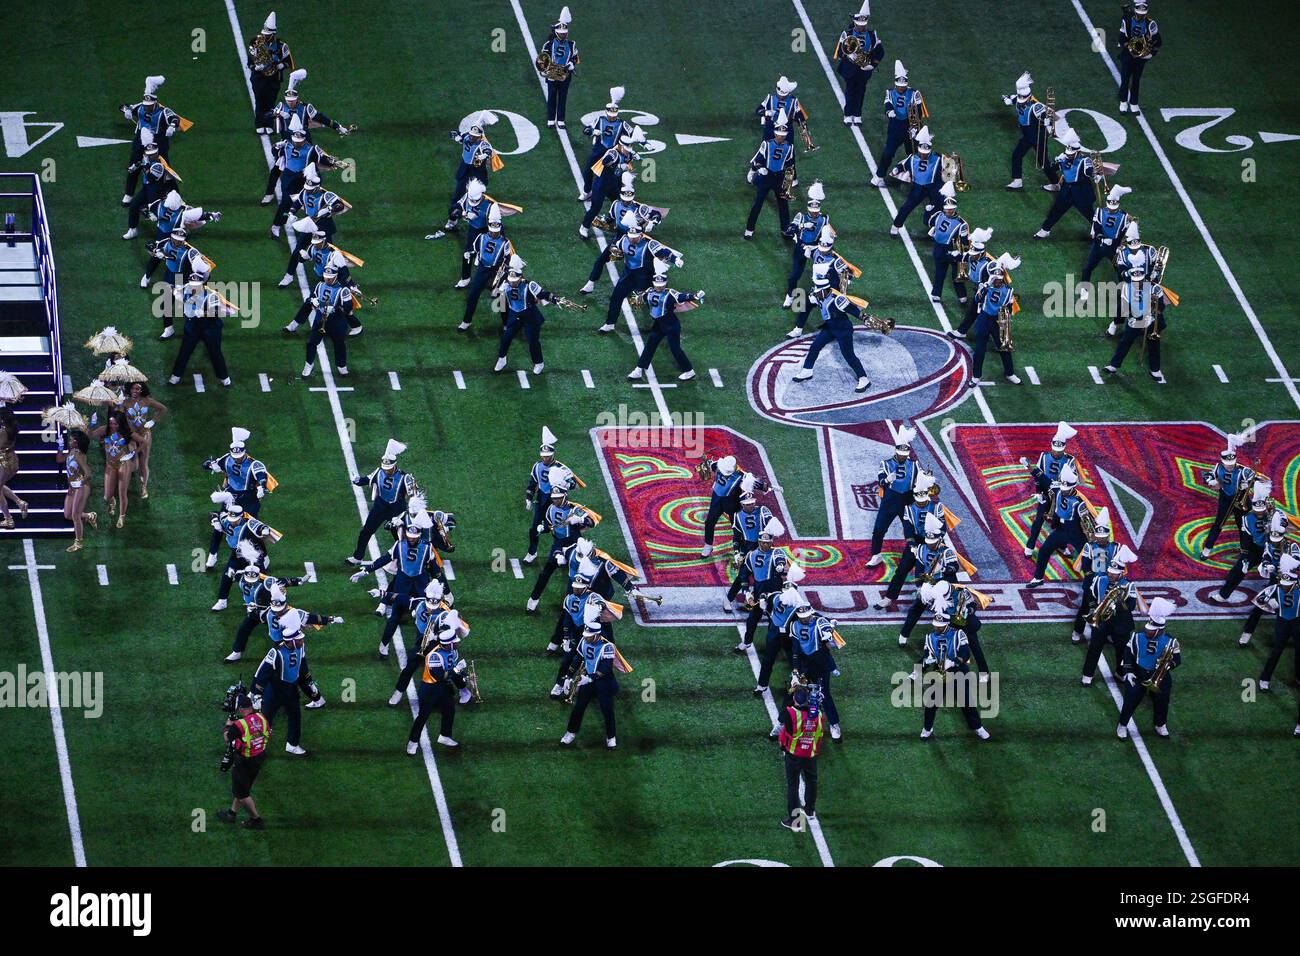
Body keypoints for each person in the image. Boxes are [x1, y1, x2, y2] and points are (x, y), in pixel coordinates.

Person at [789, 263, 872, 394]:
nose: (815, 293)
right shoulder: (820, 296)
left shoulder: (837, 300)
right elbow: (808, 303)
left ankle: (863, 378)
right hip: (830, 327)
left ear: (824, 290)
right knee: (815, 346)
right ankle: (807, 370)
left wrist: (866, 318)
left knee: (849, 356)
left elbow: (854, 311)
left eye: (817, 291)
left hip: (843, 330)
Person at [916, 611, 991, 740]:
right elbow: (927, 656)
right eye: (935, 625)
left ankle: (978, 727)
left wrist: (952, 662)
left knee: (966, 702)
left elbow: (965, 654)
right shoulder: (930, 637)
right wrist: (917, 672)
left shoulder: (958, 634)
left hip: (958, 671)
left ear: (946, 624)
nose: (936, 627)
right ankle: (927, 728)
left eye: (938, 625)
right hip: (939, 673)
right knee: (932, 703)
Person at [626, 260, 704, 382]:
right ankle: (639, 369)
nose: (659, 286)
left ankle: (689, 371)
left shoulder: (670, 293)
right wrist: (637, 296)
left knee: (675, 348)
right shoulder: (649, 292)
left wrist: (695, 296)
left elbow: (682, 296)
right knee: (650, 345)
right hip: (659, 324)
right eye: (657, 283)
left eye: (661, 283)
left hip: (671, 325)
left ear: (665, 283)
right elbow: (639, 297)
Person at [1116, 597, 1180, 739]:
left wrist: (1167, 665)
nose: (1146, 630)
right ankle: (1122, 725)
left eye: (1150, 630)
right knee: (1131, 701)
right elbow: (1128, 654)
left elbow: (1177, 660)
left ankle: (1160, 724)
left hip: (1160, 676)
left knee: (1162, 701)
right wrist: (1128, 672)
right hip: (1139, 674)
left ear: (1158, 631)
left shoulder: (1171, 641)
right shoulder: (1137, 637)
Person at [407, 611, 470, 752]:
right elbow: (440, 676)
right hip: (430, 689)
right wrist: (457, 670)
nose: (456, 644)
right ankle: (412, 742)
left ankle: (445, 735)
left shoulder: (453, 652)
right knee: (423, 716)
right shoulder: (434, 656)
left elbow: (452, 669)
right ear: (447, 645)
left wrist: (464, 677)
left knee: (449, 710)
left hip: (442, 688)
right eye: (454, 643)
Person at [560, 623, 630, 749]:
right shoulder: (584, 640)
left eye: (589, 636)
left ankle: (611, 737)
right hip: (587, 680)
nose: (586, 638)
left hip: (604, 682)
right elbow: (578, 658)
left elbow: (606, 667)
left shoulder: (607, 646)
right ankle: (570, 732)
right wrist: (568, 675)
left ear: (597, 635)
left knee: (607, 710)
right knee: (578, 708)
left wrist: (590, 678)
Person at [348, 440, 418, 564]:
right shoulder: (379, 472)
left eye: (389, 468)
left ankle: (409, 558)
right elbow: (367, 479)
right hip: (380, 507)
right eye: (385, 468)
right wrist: (357, 480)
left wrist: (411, 508)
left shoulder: (405, 477)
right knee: (366, 531)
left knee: (401, 536)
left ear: (395, 465)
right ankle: (358, 557)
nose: (386, 471)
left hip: (397, 509)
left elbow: (414, 495)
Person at [1080, 545, 1139, 685]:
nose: (1110, 575)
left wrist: (1115, 604)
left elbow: (1130, 606)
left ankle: (1120, 672)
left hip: (1120, 622)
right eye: (1109, 572)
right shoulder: (1100, 580)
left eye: (1114, 573)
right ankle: (1087, 675)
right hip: (1101, 621)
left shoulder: (1128, 585)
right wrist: (1095, 608)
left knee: (1121, 650)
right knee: (1094, 648)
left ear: (1121, 573)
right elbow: (1091, 596)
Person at [1019, 422, 1079, 556]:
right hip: (1046, 493)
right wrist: (1040, 493)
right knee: (1039, 520)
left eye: (1059, 451)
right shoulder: (1044, 456)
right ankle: (1030, 546)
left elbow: (1073, 480)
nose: (1056, 453)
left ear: (1064, 449)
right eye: (1054, 450)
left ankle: (1062, 545)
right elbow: (1039, 477)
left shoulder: (1070, 460)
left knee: (1062, 523)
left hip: (1061, 495)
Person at [218, 682, 270, 830]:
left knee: (241, 793)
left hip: (245, 760)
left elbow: (227, 738)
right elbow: (268, 733)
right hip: (259, 757)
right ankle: (231, 813)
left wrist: (229, 723)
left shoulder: (240, 724)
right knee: (243, 787)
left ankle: (256, 819)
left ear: (241, 709)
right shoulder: (262, 717)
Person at [866, 426, 918, 567]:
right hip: (890, 499)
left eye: (904, 454)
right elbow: (881, 480)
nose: (902, 456)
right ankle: (876, 555)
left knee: (912, 531)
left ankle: (917, 556)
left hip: (907, 500)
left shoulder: (914, 465)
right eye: (901, 453)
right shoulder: (886, 463)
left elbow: (919, 483)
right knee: (879, 529)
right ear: (896, 451)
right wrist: (887, 480)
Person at [778, 681, 826, 831]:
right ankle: (810, 810)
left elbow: (782, 715)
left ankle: (795, 821)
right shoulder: (818, 715)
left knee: (793, 786)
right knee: (812, 781)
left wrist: (790, 692)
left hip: (794, 754)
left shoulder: (791, 713)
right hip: (810, 754)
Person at [1254, 554, 1300, 693]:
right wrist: (1270, 606)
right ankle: (1265, 679)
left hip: (1296, 622)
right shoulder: (1275, 588)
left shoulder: (1280, 588)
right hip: (1283, 622)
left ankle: (1298, 676)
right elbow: (1259, 600)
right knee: (1275, 652)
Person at [1002, 71, 1054, 191]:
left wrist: (1048, 123)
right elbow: (1012, 100)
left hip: (1038, 137)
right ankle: (1017, 181)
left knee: (1043, 162)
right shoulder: (1019, 99)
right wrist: (1007, 99)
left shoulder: (1036, 106)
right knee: (1017, 155)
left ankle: (1056, 183)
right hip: (1028, 135)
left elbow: (1049, 117)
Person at [832, 3, 883, 126]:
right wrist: (849, 55)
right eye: (859, 25)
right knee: (850, 90)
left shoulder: (871, 35)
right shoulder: (847, 33)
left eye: (863, 25)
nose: (861, 27)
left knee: (861, 92)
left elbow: (880, 52)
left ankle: (857, 115)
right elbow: (839, 51)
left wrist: (872, 65)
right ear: (855, 23)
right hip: (850, 68)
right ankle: (848, 115)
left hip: (864, 69)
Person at [1201, 443, 1255, 556]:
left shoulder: (1243, 470)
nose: (1229, 466)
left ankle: (1245, 550)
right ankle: (1207, 549)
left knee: (1243, 526)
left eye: (1231, 463)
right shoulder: (1218, 467)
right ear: (1222, 461)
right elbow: (1207, 475)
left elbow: (1259, 479)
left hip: (1241, 499)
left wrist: (1249, 484)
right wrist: (1211, 481)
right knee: (1218, 524)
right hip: (1225, 499)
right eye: (1227, 464)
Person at [88, 408, 138, 529]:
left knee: (122, 492)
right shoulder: (104, 430)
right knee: (107, 496)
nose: (112, 425)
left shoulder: (127, 432)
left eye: (115, 423)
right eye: (111, 423)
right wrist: (91, 424)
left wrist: (132, 453)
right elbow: (89, 435)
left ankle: (122, 516)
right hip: (110, 465)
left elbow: (141, 443)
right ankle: (112, 502)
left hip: (123, 465)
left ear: (120, 423)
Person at [116, 382, 167, 498]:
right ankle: (128, 476)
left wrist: (153, 421)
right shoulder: (125, 401)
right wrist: (119, 403)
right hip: (132, 435)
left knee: (144, 462)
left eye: (138, 389)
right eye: (133, 388)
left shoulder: (147, 401)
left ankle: (144, 487)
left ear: (142, 390)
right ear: (130, 389)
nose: (135, 390)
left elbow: (163, 409)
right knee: (134, 463)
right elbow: (117, 414)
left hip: (144, 434)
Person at [247, 13, 295, 133]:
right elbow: (250, 63)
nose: (265, 36)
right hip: (259, 78)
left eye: (268, 35)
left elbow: (289, 63)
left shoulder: (281, 46)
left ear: (273, 34)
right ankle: (259, 124)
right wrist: (256, 67)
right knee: (260, 99)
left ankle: (269, 124)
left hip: (274, 78)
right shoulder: (256, 43)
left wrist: (281, 65)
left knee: (271, 101)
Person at [1117, 1, 1161, 115]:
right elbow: (1122, 39)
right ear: (1135, 12)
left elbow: (1158, 41)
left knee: (1136, 79)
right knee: (1125, 78)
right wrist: (1132, 47)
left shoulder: (1151, 24)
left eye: (1143, 14)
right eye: (1139, 13)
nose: (1141, 16)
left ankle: (1134, 103)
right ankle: (1123, 101)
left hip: (1141, 56)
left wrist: (1148, 54)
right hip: (1128, 52)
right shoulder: (1126, 21)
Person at [55, 429, 96, 551]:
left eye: (71, 439)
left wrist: (80, 483)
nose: (69, 440)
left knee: (75, 515)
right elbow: (59, 460)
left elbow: (88, 473)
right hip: (73, 486)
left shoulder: (79, 455)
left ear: (76, 442)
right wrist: (60, 447)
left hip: (81, 487)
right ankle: (89, 516)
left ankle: (78, 542)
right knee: (68, 514)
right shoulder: (72, 451)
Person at [538, 8, 579, 129]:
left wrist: (571, 64)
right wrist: (546, 70)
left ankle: (561, 119)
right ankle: (551, 119)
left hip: (566, 74)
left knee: (562, 97)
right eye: (561, 32)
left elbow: (575, 57)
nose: (563, 34)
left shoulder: (572, 44)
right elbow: (542, 60)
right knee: (551, 96)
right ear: (556, 32)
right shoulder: (549, 44)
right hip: (552, 73)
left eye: (564, 32)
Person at [0, 408, 26, 530]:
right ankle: (19, 502)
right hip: (12, 460)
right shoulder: (13, 429)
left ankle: (9, 519)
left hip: (4, 463)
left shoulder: (3, 432)